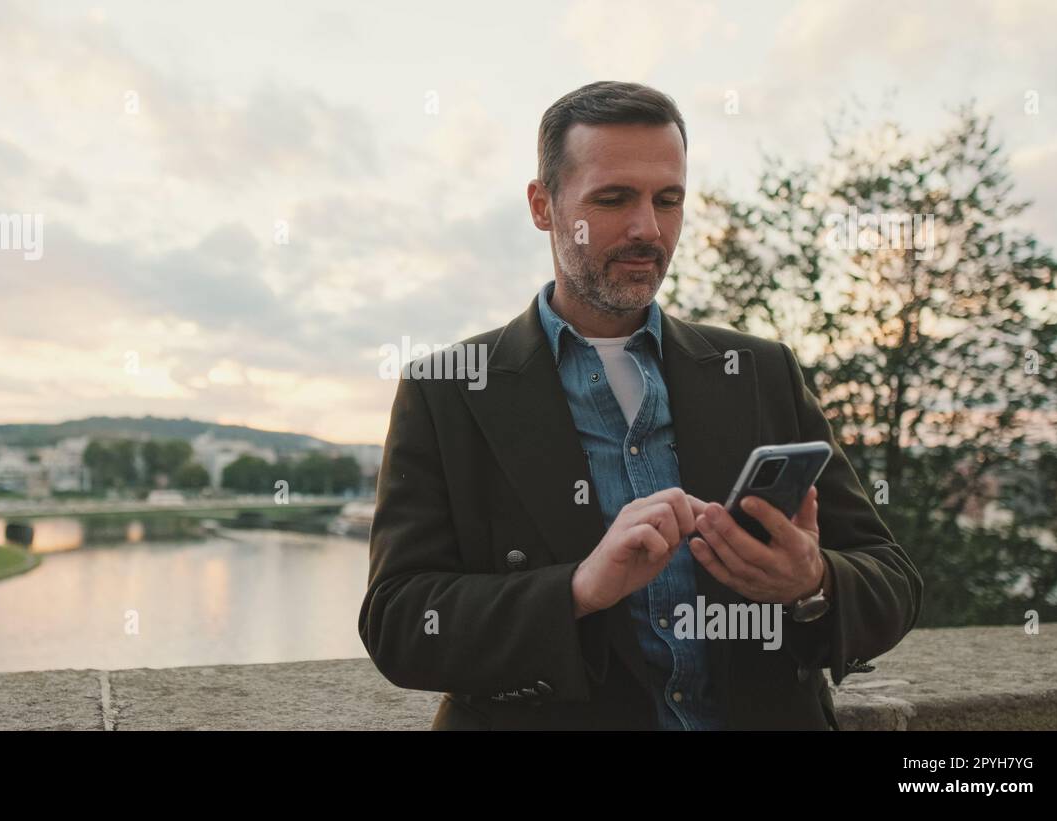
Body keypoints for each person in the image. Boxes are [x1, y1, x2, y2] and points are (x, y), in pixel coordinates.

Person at [358, 80, 923, 730]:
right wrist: (577, 589)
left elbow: (894, 581)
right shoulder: (448, 389)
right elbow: (399, 622)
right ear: (543, 205)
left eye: (669, 199)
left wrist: (812, 581)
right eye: (613, 198)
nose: (647, 229)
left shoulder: (762, 372)